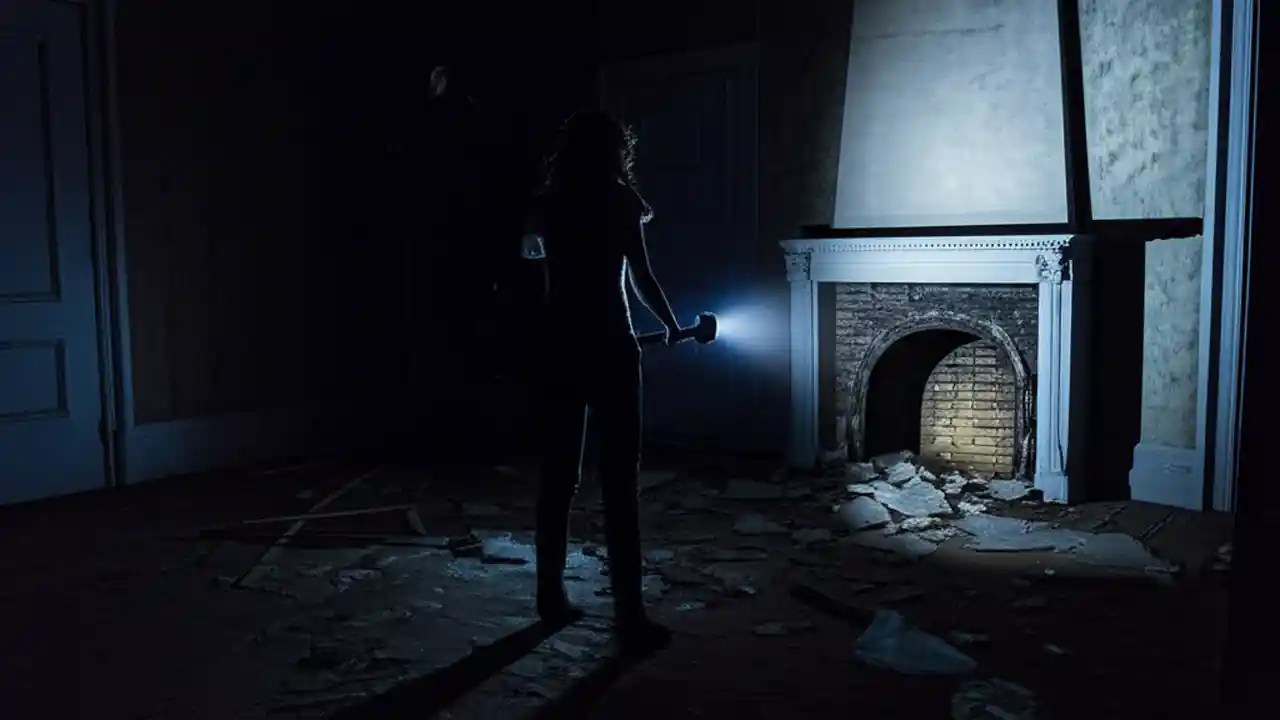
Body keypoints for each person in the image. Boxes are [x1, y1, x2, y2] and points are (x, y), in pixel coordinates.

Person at [521, 110, 680, 651]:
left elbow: (536, 272)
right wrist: (672, 325)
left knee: (558, 477)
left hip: (560, 346)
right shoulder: (620, 201)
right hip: (613, 347)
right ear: (616, 151)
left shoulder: (549, 204)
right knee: (619, 485)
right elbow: (641, 275)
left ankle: (550, 598)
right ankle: (629, 615)